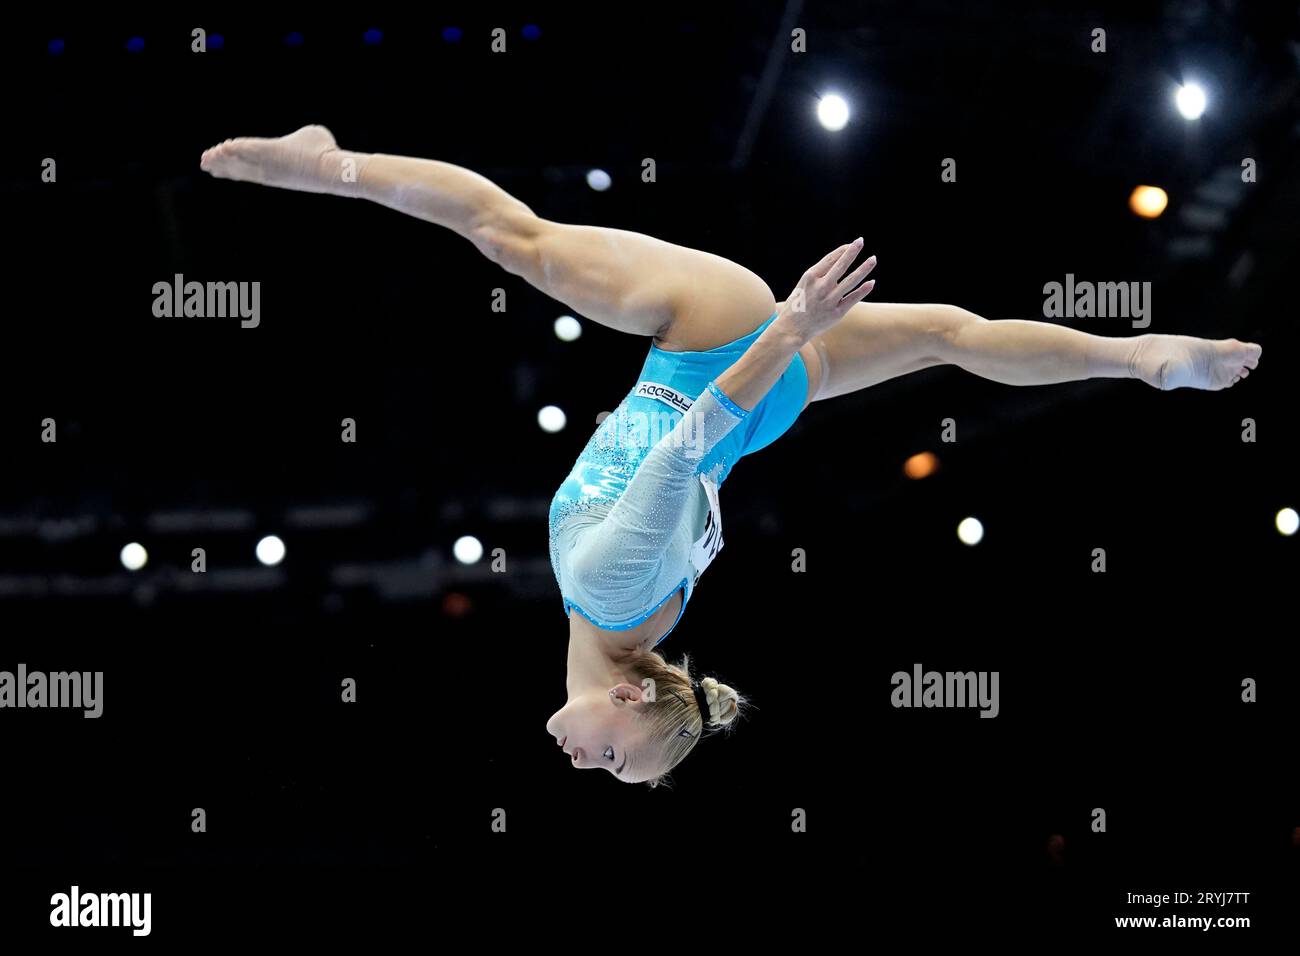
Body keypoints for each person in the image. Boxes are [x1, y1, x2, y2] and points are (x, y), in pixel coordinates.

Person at [201, 126, 1262, 786]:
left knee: (952, 336)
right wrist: (790, 326)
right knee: (507, 234)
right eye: (612, 758)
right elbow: (684, 441)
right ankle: (329, 165)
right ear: (624, 702)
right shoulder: (609, 592)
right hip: (717, 349)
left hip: (767, 407)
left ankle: (1146, 358)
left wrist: (785, 355)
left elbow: (703, 463)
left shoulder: (648, 621)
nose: (585, 765)